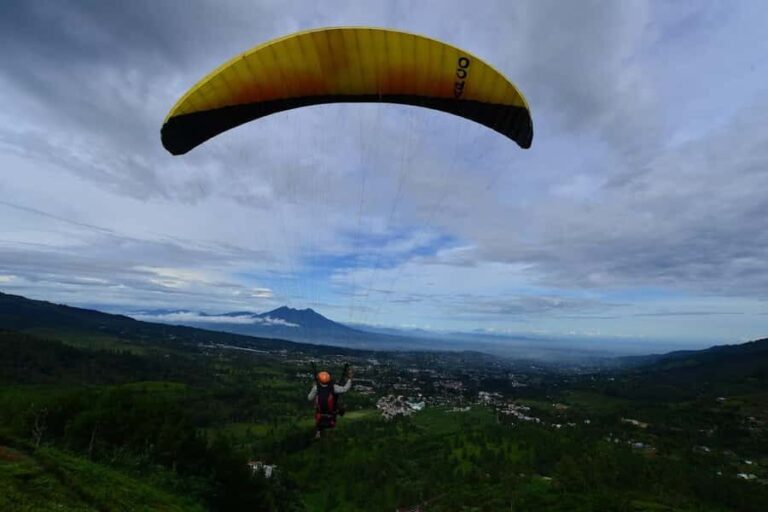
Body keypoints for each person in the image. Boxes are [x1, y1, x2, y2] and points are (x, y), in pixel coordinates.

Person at [308, 368, 352, 439]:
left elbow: (309, 398)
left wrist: (313, 387)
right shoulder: (334, 387)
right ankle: (341, 412)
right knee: (340, 406)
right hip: (332, 412)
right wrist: (350, 379)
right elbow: (345, 389)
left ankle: (319, 431)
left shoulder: (316, 388)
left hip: (320, 412)